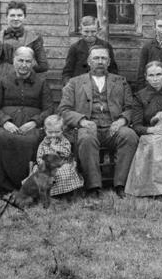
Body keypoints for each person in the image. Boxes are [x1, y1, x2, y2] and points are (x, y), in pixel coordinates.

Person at [57, 44, 139, 199]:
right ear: (89, 61)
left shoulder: (120, 81)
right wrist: (82, 121)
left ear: (109, 62)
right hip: (88, 126)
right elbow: (63, 110)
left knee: (129, 135)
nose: (100, 61)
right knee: (86, 138)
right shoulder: (74, 82)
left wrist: (122, 120)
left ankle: (121, 184)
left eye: (103, 58)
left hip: (113, 128)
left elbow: (131, 107)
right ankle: (93, 186)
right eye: (96, 58)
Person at [0, 45, 52, 194]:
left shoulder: (41, 82)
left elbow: (49, 109)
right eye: (20, 60)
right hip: (6, 123)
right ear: (14, 61)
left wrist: (34, 122)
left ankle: (29, 183)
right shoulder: (3, 80)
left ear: (33, 63)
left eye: (28, 61)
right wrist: (5, 122)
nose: (24, 65)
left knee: (32, 140)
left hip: (31, 124)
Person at [0, 0, 47, 94]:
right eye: (12, 15)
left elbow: (44, 65)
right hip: (1, 77)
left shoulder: (34, 38)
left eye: (19, 15)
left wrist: (25, 68)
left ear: (24, 17)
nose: (16, 18)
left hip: (25, 78)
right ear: (6, 17)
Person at [25, 113, 84, 202]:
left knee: (64, 171)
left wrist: (55, 147)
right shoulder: (43, 143)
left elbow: (66, 153)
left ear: (62, 130)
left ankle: (62, 193)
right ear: (45, 130)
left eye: (57, 132)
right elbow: (39, 156)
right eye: (50, 132)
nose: (53, 135)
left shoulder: (64, 141)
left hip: (61, 164)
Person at [61, 16, 114, 83]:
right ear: (80, 30)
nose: (89, 35)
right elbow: (67, 72)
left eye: (93, 31)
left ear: (98, 30)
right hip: (80, 85)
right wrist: (69, 86)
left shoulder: (106, 46)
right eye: (86, 31)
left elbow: (113, 69)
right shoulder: (75, 48)